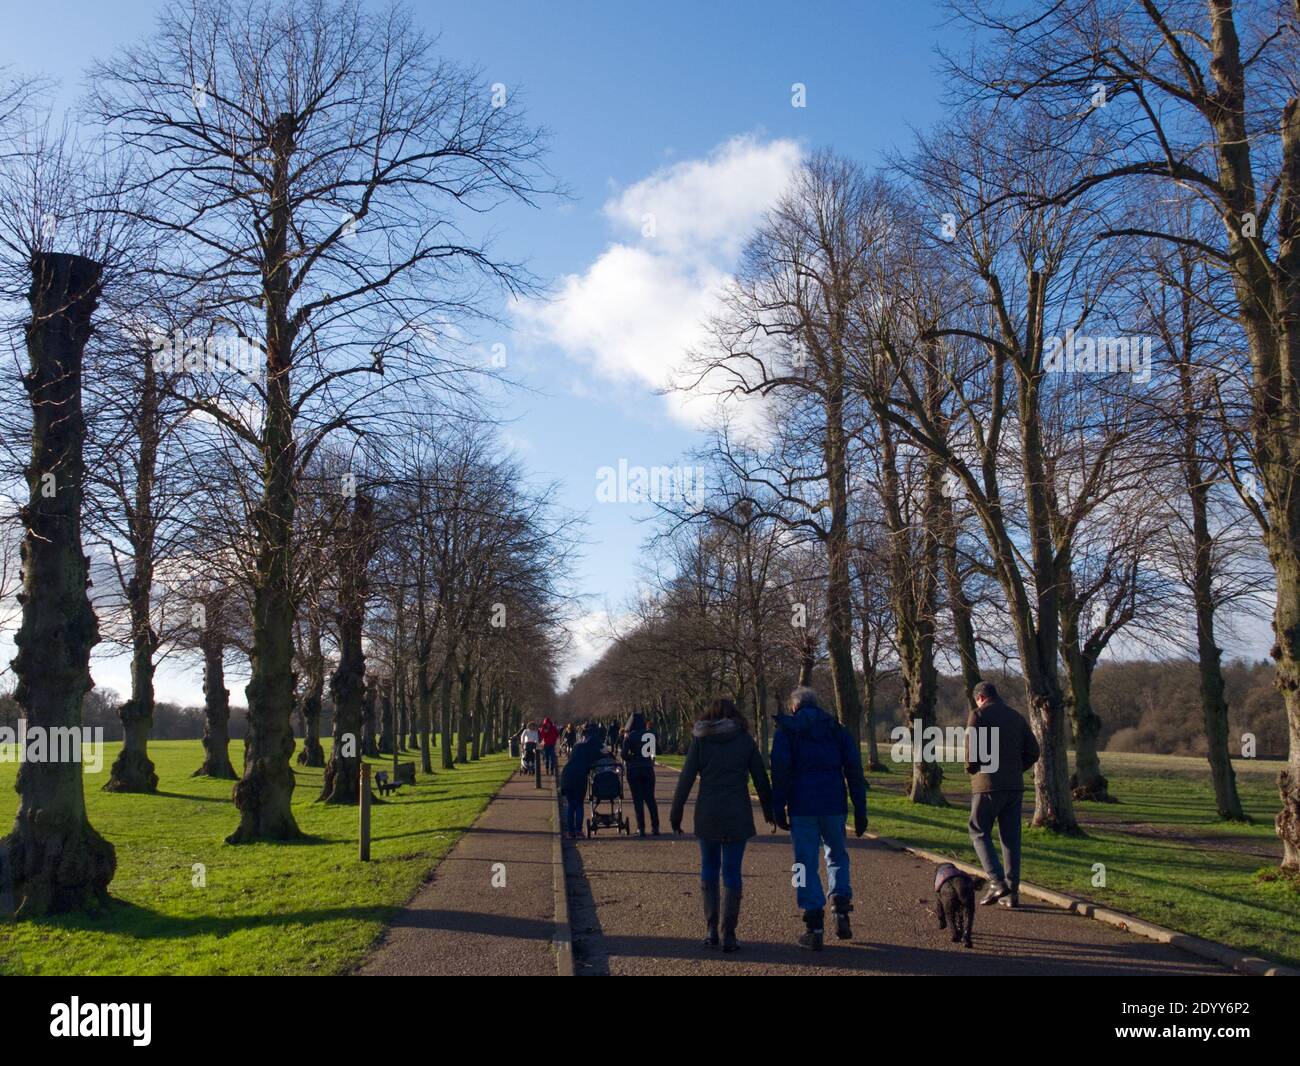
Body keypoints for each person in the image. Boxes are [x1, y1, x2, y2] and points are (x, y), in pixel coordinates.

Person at [669, 698, 773, 953]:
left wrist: (676, 811)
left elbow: (686, 778)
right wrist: (771, 811)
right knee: (732, 871)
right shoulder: (745, 739)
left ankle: (711, 929)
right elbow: (760, 777)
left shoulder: (701, 739)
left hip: (708, 812)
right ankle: (730, 933)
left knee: (709, 867)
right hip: (737, 811)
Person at [770, 686, 868, 950]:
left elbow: (780, 771)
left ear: (794, 707)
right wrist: (860, 809)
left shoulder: (787, 731)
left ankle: (813, 922)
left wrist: (777, 807)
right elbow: (854, 771)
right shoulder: (836, 730)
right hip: (834, 803)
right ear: (817, 704)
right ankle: (840, 905)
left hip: (801, 805)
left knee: (803, 864)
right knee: (836, 855)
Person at [965, 680, 1039, 907]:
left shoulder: (978, 715)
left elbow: (971, 752)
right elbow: (1034, 751)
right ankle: (1011, 892)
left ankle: (997, 881)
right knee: (1010, 838)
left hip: (987, 785)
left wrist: (972, 767)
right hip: (1014, 786)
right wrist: (1017, 768)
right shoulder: (1016, 717)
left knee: (977, 831)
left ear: (980, 697)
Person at [620, 711, 660, 836]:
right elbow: (656, 751)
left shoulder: (630, 736)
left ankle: (641, 828)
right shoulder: (650, 735)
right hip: (648, 768)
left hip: (634, 769)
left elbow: (623, 754)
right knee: (650, 799)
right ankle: (655, 827)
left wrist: (632, 758)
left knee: (638, 800)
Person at [560, 724, 603, 838]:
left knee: (571, 805)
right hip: (579, 778)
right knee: (578, 804)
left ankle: (570, 831)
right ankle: (578, 830)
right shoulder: (592, 749)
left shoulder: (577, 746)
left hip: (567, 776)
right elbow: (602, 757)